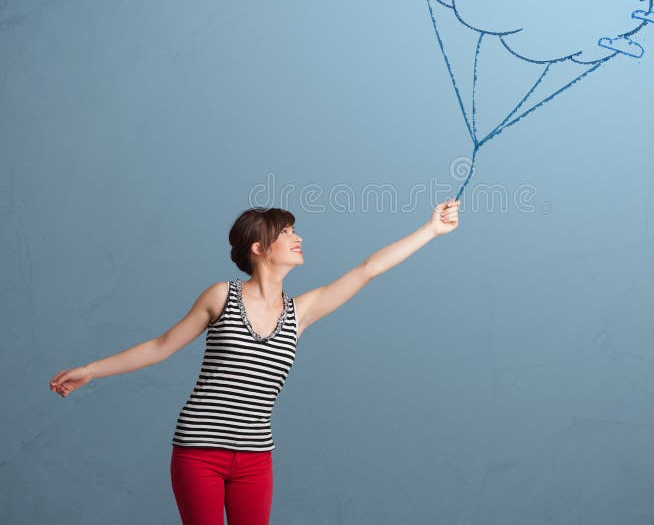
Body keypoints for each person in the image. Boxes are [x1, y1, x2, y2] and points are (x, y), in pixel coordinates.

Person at [49, 198, 461, 525]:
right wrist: (91, 370)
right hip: (199, 451)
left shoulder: (300, 313)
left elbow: (369, 269)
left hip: (255, 458)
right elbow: (161, 346)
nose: (298, 238)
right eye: (287, 233)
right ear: (259, 248)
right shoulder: (220, 296)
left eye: (295, 230)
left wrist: (431, 229)